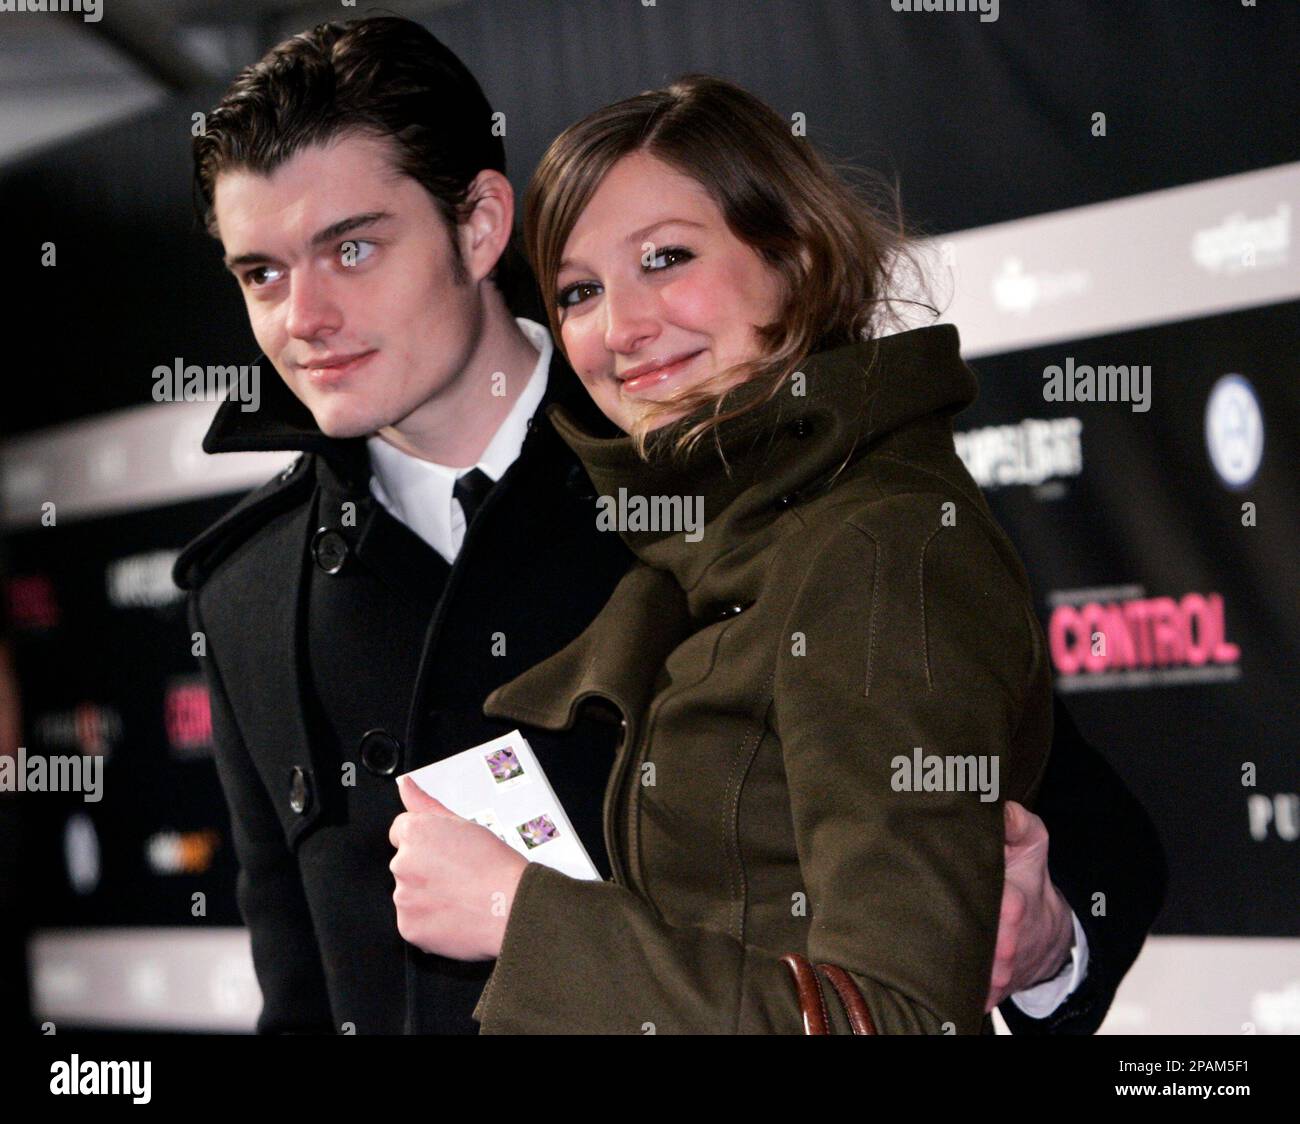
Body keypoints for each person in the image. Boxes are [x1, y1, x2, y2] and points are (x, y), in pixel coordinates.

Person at [175, 17, 1161, 1035]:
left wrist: (1047, 944)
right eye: (262, 273)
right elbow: (296, 994)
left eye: (352, 247)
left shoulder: (741, 478)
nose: (304, 317)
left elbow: (1073, 848)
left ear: (477, 226)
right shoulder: (247, 593)